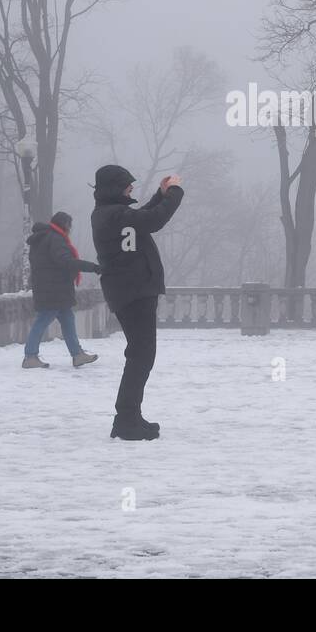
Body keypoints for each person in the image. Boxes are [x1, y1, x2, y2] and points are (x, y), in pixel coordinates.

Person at [91, 165, 184, 440]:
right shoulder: (113, 215)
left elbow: (142, 218)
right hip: (133, 292)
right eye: (126, 185)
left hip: (132, 291)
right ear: (114, 187)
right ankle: (125, 420)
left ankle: (130, 416)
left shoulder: (111, 214)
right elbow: (153, 220)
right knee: (141, 356)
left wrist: (160, 193)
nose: (131, 188)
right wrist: (175, 192)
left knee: (140, 355)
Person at [24, 212, 101, 369]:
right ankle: (30, 356)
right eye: (69, 225)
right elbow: (65, 261)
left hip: (51, 288)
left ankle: (77, 355)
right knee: (43, 319)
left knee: (67, 319)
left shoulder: (44, 238)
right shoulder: (55, 239)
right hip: (53, 289)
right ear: (65, 225)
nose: (70, 229)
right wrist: (92, 267)